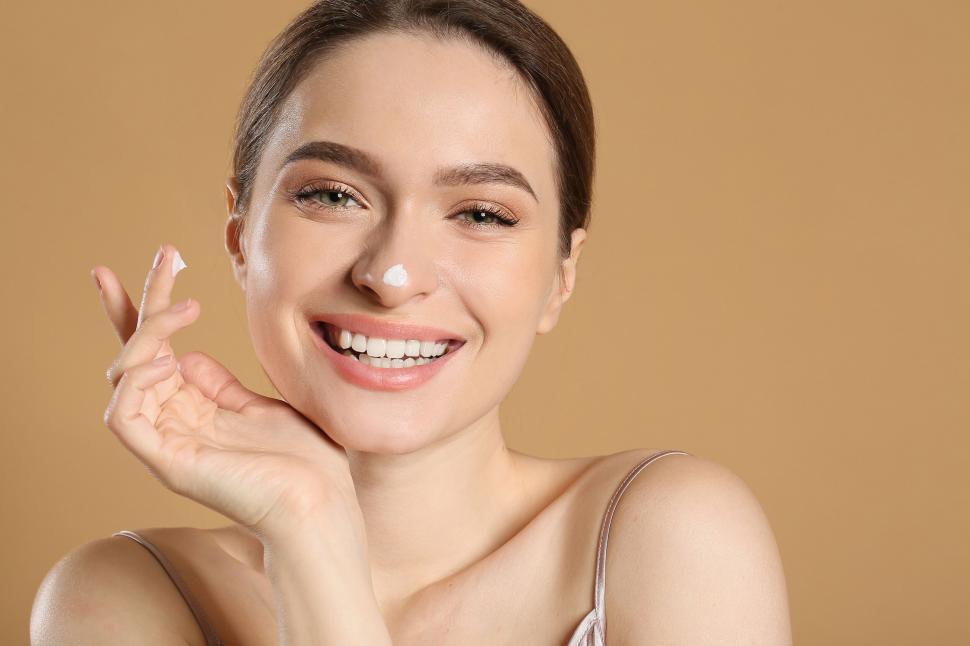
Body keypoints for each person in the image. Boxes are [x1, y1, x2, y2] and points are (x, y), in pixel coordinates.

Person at [31, 1, 792, 644]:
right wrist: (306, 522)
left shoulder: (671, 537)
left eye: (481, 213)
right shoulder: (120, 597)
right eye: (334, 196)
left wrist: (317, 544)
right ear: (239, 235)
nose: (392, 276)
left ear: (562, 274)